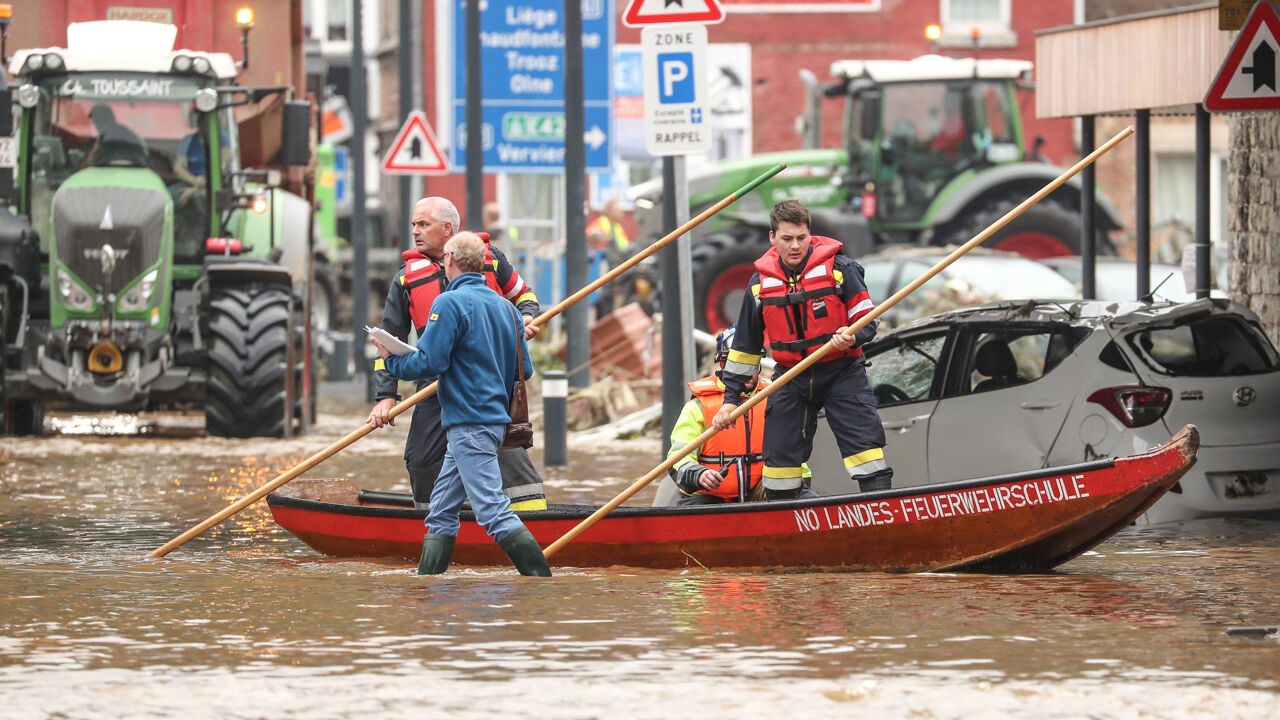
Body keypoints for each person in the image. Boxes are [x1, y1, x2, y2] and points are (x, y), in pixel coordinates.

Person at [372, 232, 550, 577]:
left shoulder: (448, 304)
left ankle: (541, 584)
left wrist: (390, 361)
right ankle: (427, 582)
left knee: (491, 511)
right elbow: (524, 369)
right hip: (487, 421)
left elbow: (429, 362)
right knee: (440, 511)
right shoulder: (506, 308)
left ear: (449, 259)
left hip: (469, 423)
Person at [712, 199, 893, 499]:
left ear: (810, 234)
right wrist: (731, 399)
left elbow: (867, 322)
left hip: (842, 372)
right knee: (779, 464)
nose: (795, 246)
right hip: (791, 377)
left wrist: (853, 336)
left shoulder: (841, 270)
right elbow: (745, 347)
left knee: (866, 454)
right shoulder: (759, 286)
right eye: (787, 239)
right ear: (773, 238)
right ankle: (785, 528)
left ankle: (879, 514)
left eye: (801, 238)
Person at [666, 325, 811, 505]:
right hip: (710, 498)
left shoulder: (775, 398)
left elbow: (793, 455)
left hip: (762, 494)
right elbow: (677, 459)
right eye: (738, 363)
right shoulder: (698, 406)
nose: (746, 370)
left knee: (803, 495)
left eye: (752, 362)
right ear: (722, 364)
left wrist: (797, 487)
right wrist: (699, 474)